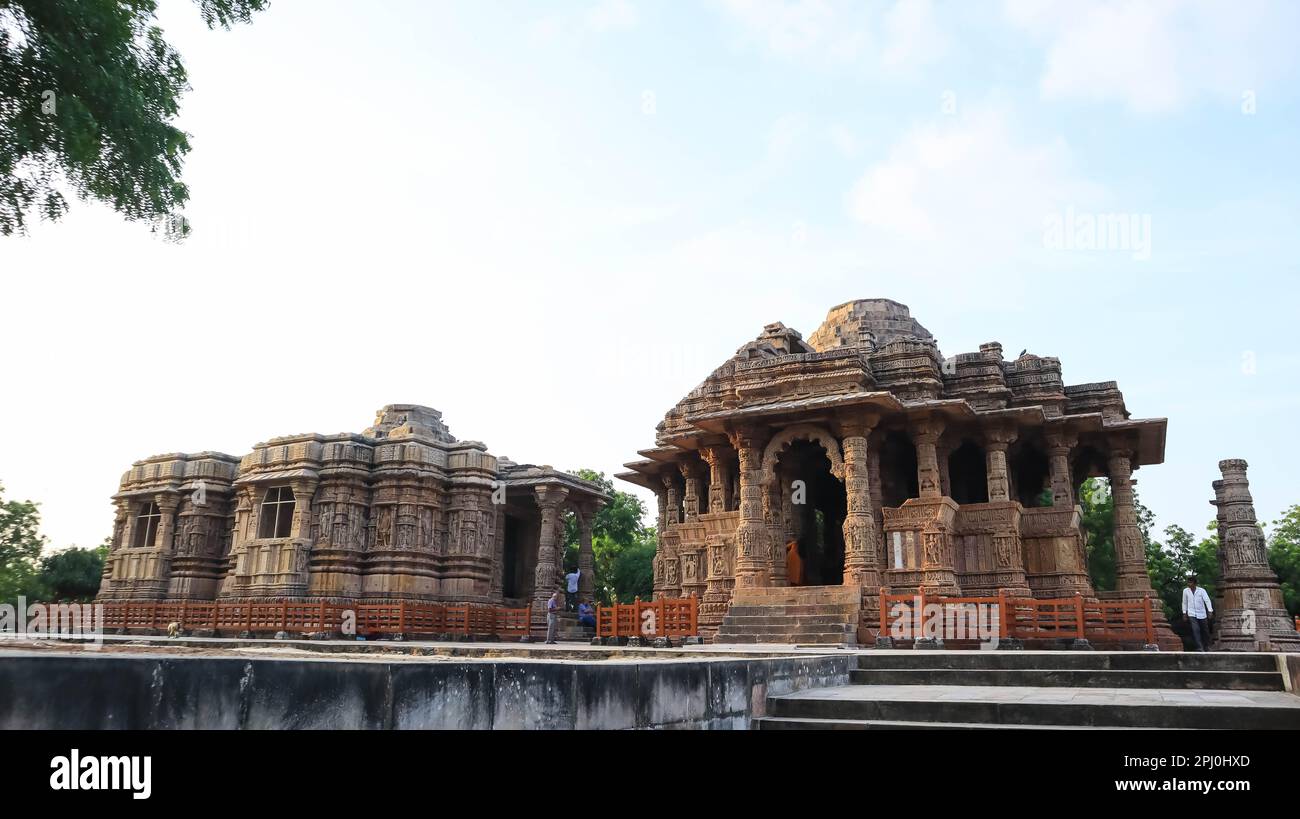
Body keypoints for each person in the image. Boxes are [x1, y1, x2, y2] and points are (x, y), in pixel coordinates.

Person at [1182, 574, 1213, 652]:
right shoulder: (1185, 591)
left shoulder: (1201, 590)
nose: (1189, 584)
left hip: (1202, 613)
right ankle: (1200, 647)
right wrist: (1184, 613)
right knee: (1195, 630)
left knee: (1204, 630)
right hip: (1192, 613)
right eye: (1188, 582)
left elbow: (1207, 600)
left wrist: (1210, 611)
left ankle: (1207, 646)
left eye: (1191, 582)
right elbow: (1184, 602)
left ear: (1195, 583)